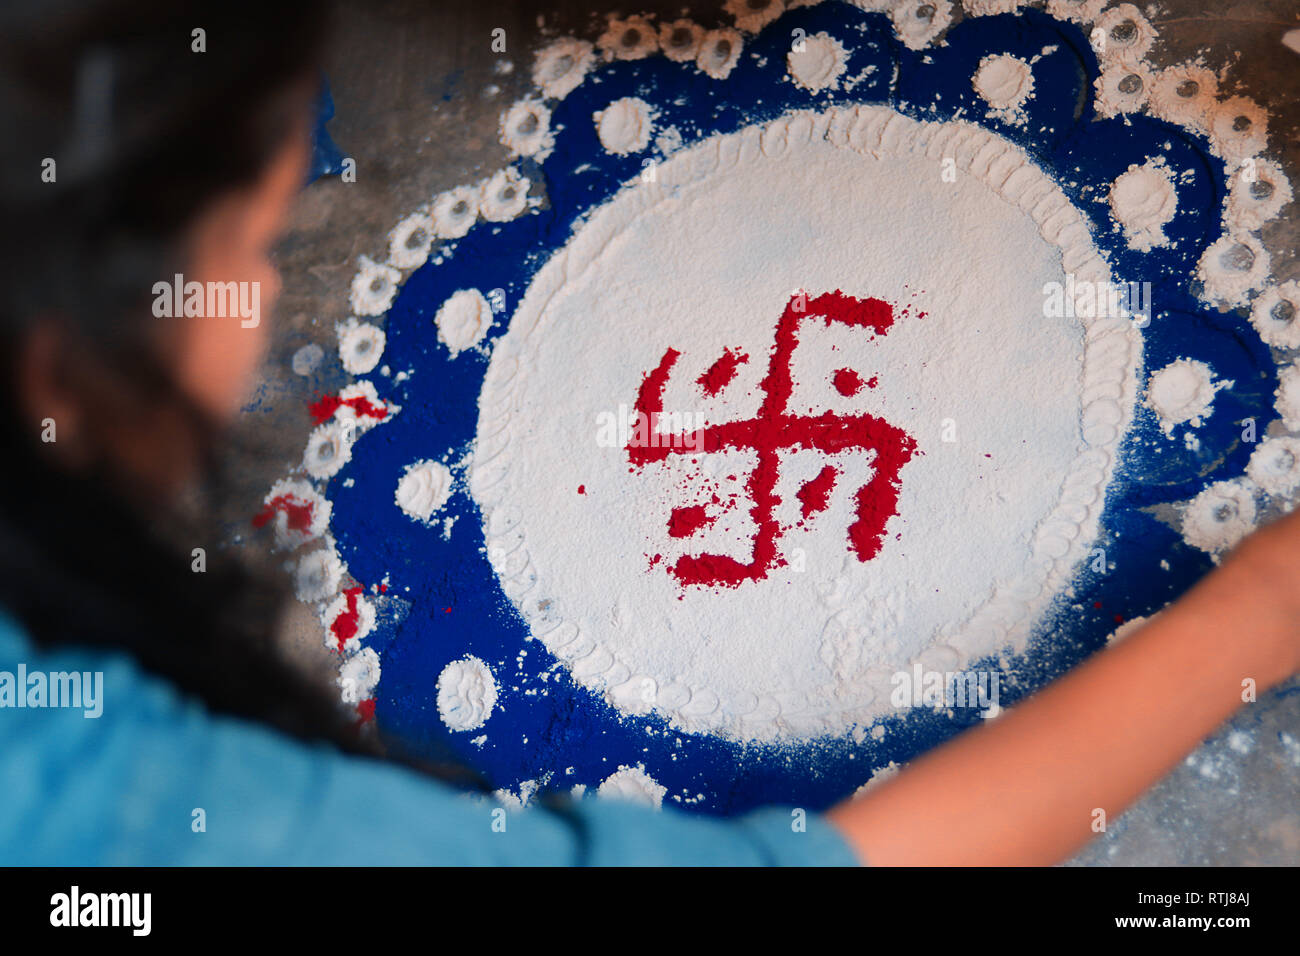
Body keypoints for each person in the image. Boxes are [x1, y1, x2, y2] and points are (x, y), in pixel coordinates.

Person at [0, 0, 1295, 867]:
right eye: (254, 249)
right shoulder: (134, 810)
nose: (270, 299)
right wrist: (1257, 615)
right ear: (63, 345)